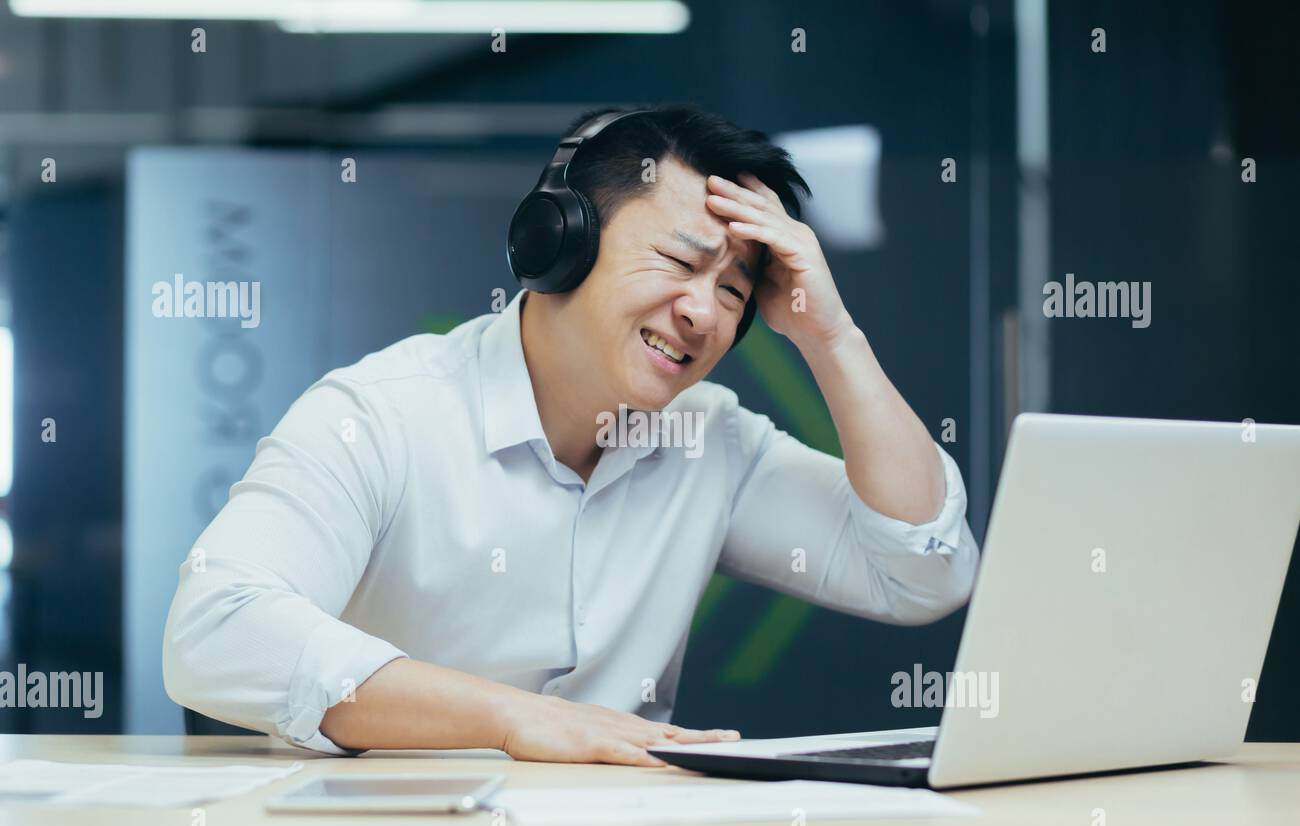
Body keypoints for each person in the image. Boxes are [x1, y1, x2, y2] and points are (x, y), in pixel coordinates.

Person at [163, 104, 979, 767]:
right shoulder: (378, 415)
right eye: (676, 260)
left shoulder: (711, 442)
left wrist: (830, 337)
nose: (703, 311)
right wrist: (511, 720)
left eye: (734, 291)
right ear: (560, 241)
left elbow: (922, 573)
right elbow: (215, 627)